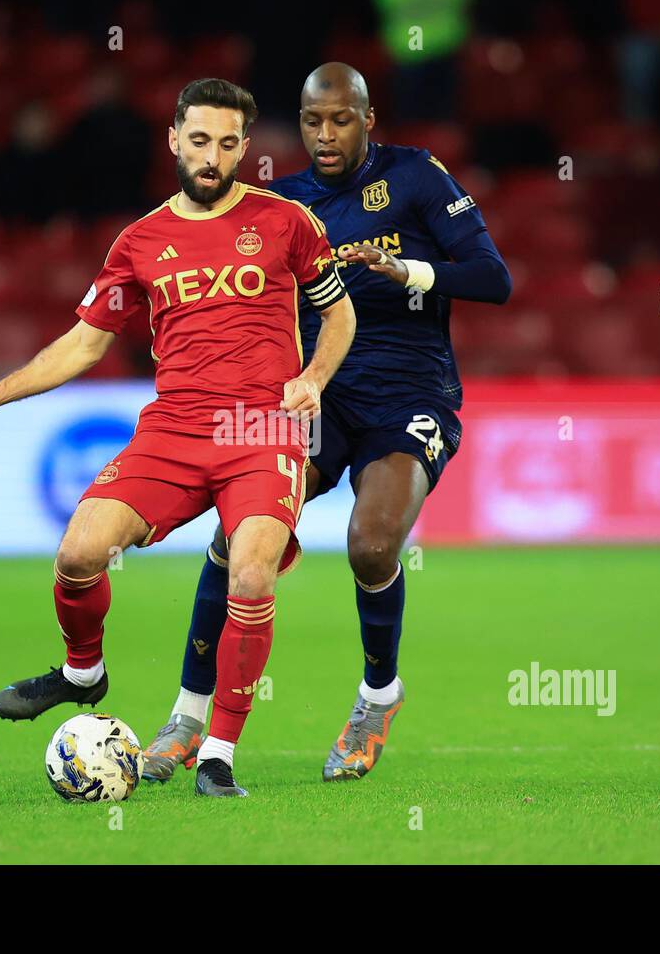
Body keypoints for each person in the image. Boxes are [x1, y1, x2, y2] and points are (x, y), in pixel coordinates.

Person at [0, 78, 356, 798]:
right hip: (173, 428)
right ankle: (82, 673)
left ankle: (219, 752)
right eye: (199, 140)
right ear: (173, 139)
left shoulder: (287, 221)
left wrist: (314, 377)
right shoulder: (140, 241)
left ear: (242, 149)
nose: (212, 156)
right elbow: (83, 345)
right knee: (77, 554)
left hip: (261, 429)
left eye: (228, 144)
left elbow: (342, 315)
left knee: (251, 574)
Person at [142, 63, 510, 785]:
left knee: (371, 547)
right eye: (313, 122)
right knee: (236, 535)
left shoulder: (417, 179)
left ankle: (377, 698)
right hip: (312, 399)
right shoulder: (281, 202)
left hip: (409, 396)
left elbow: (493, 277)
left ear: (368, 118)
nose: (326, 135)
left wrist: (410, 272)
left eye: (341, 119)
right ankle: (188, 715)